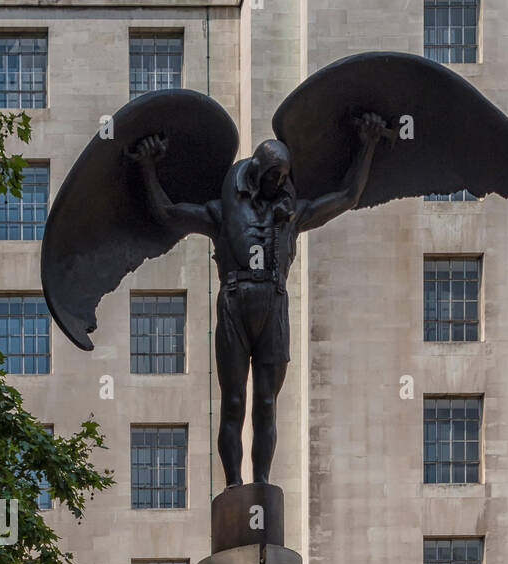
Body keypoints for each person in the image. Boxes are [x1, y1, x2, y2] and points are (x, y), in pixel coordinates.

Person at [130, 111, 388, 487]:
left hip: (274, 307)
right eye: (273, 175)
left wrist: (367, 145)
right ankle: (234, 485)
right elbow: (169, 212)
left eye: (284, 177)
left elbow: (348, 196)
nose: (279, 182)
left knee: (266, 404)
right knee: (233, 403)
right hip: (235, 304)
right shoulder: (221, 213)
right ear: (255, 172)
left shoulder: (294, 215)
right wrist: (148, 168)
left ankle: (262, 483)